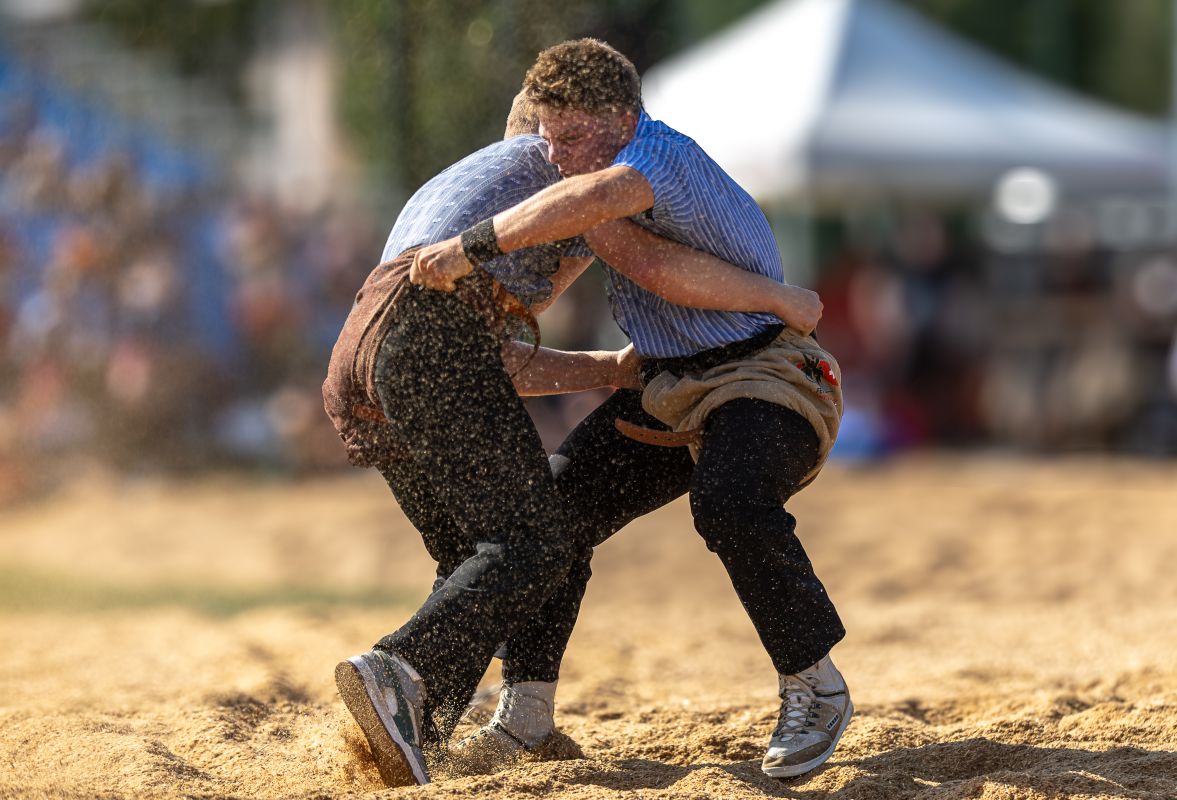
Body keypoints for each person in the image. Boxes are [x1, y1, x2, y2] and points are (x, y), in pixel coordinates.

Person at [325, 91, 822, 786]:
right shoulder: (567, 178)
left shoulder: (463, 180)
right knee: (534, 542)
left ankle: (419, 733)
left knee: (478, 562)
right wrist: (775, 298)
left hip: (361, 357)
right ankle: (398, 670)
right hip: (431, 339)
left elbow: (491, 358)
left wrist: (608, 367)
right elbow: (646, 265)